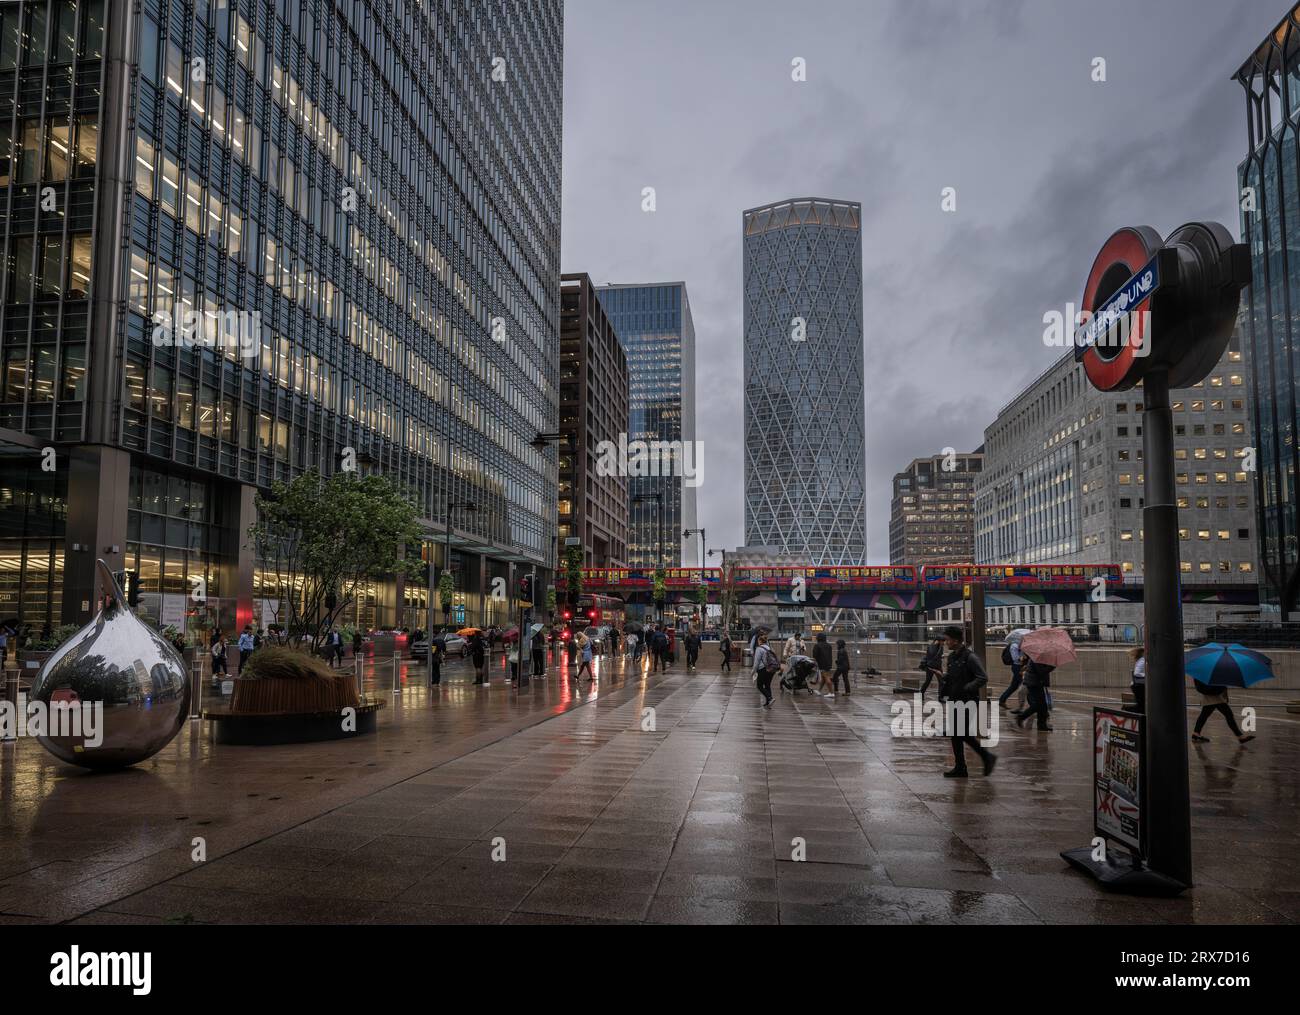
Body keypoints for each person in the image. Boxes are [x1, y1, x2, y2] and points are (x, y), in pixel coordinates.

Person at [939, 626, 996, 778]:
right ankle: (961, 767)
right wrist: (945, 679)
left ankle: (986, 757)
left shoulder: (970, 657)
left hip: (968, 701)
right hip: (954, 699)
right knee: (956, 734)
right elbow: (952, 677)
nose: (946, 643)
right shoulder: (951, 658)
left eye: (947, 640)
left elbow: (982, 677)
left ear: (956, 640)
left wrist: (967, 688)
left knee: (961, 733)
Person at [1015, 654, 1054, 731]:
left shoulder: (1040, 657)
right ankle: (1021, 717)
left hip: (1037, 683)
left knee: (1043, 706)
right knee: (1038, 705)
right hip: (1033, 683)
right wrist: (1052, 666)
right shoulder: (1037, 658)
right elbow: (1041, 671)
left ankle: (1042, 725)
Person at [753, 631, 781, 708]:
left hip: (763, 669)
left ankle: (770, 698)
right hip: (772, 669)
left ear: (760, 640)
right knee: (767, 685)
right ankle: (768, 702)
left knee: (759, 686)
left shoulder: (759, 649)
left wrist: (753, 671)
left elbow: (756, 662)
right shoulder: (769, 647)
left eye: (758, 640)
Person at [998, 639, 1024, 709]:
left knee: (1014, 686)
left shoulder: (1020, 645)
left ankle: (1002, 700)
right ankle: (1032, 705)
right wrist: (1023, 658)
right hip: (1017, 667)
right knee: (1026, 686)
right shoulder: (1014, 646)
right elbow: (1015, 658)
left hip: (1020, 667)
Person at [812, 632, 835, 697]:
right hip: (828, 663)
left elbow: (815, 656)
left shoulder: (817, 645)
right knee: (824, 677)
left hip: (821, 663)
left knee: (827, 677)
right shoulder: (829, 645)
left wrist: (815, 664)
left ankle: (831, 693)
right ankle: (819, 691)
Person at [1129, 647, 1146, 713]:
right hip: (1139, 686)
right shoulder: (1142, 660)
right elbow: (1137, 673)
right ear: (1143, 653)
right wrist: (1148, 676)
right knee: (1142, 706)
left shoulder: (1141, 660)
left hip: (1138, 686)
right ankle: (1127, 711)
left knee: (1141, 705)